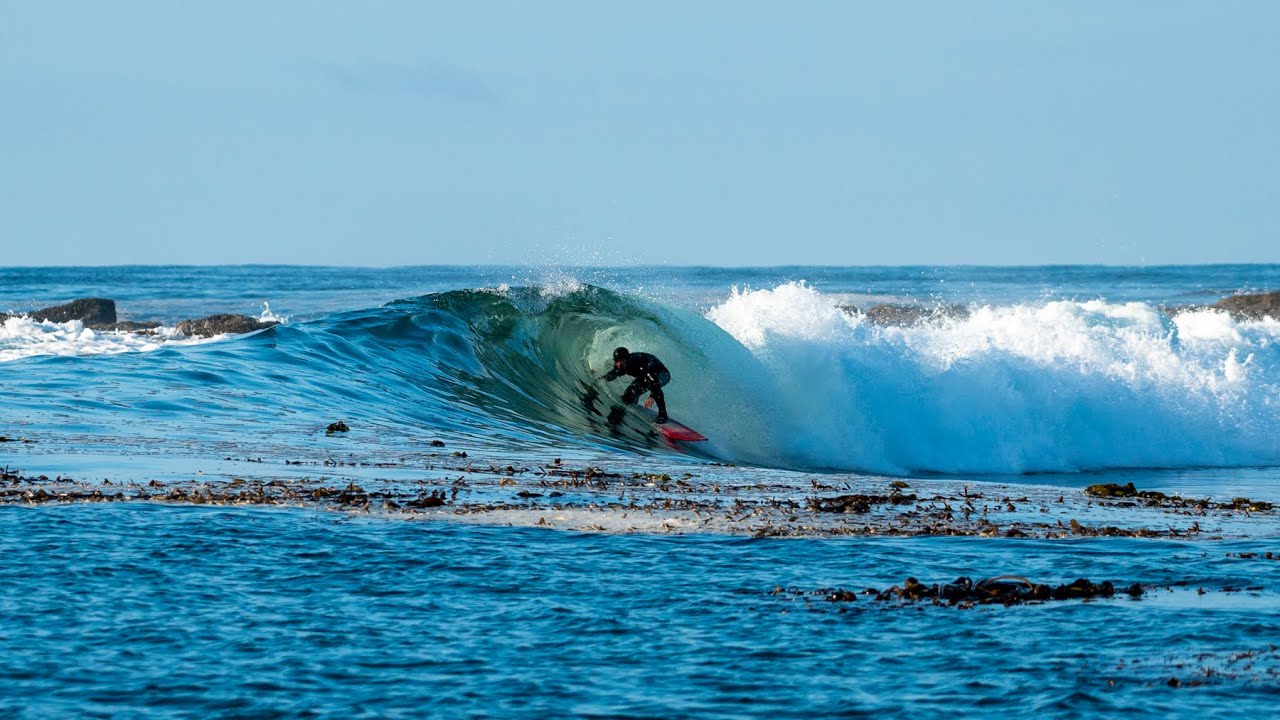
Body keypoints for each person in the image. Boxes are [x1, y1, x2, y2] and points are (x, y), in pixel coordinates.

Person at [601, 346, 670, 423]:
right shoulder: (620, 365)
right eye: (616, 361)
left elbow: (655, 383)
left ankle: (663, 414)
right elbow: (613, 374)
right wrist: (601, 380)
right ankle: (632, 403)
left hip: (662, 374)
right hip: (645, 376)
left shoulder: (642, 366)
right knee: (627, 397)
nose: (618, 364)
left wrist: (652, 396)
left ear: (626, 359)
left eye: (621, 360)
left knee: (653, 386)